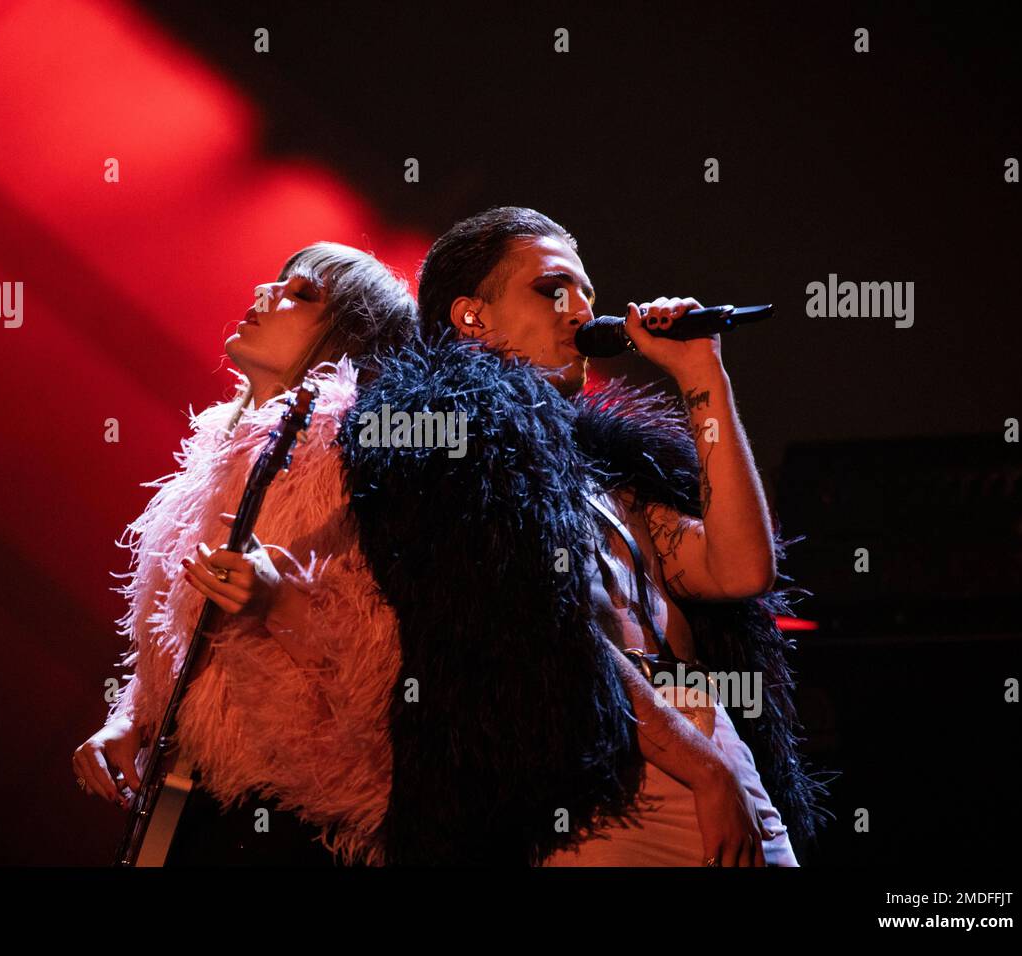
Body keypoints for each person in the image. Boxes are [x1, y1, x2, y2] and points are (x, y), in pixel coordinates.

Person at [338, 207, 828, 866]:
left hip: (698, 744)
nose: (580, 311)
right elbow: (547, 626)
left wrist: (701, 374)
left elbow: (740, 568)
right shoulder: (449, 445)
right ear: (472, 316)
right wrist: (704, 769)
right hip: (605, 770)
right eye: (552, 289)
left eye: (588, 295)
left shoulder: (610, 478)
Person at [72, 241, 417, 866]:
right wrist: (134, 718)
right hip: (193, 793)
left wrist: (280, 602)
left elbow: (385, 662)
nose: (267, 295)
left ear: (351, 337)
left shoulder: (368, 468)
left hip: (300, 819)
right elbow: (178, 635)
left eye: (303, 295)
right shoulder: (219, 450)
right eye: (277, 283)